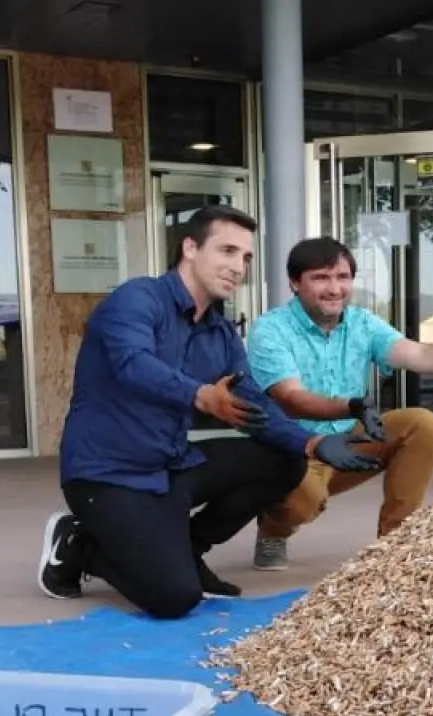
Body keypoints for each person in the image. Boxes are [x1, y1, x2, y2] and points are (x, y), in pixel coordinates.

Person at [38, 206, 382, 619]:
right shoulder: (137, 299)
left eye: (246, 257)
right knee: (174, 598)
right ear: (190, 248)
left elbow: (254, 404)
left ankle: (189, 548)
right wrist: (201, 395)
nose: (238, 267)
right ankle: (79, 544)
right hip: (106, 474)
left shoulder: (219, 333)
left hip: (170, 465)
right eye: (227, 251)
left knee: (283, 460)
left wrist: (314, 442)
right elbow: (133, 364)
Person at [244, 236, 433, 570]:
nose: (334, 289)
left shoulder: (362, 322)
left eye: (342, 277)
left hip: (351, 438)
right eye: (320, 278)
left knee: (422, 424)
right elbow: (292, 399)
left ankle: (395, 546)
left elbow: (418, 354)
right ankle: (273, 531)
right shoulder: (271, 330)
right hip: (298, 449)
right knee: (303, 503)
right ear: (294, 283)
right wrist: (350, 406)